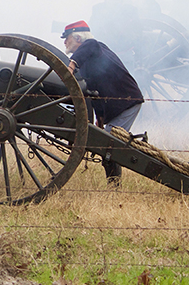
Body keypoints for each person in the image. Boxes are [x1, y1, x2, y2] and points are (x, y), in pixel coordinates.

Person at [62, 20, 144, 186]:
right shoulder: (87, 63)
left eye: (67, 38)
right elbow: (94, 91)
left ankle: (114, 186)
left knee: (109, 146)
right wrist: (99, 118)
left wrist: (70, 66)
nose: (65, 42)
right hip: (119, 105)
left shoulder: (94, 46)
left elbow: (89, 45)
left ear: (78, 38)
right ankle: (114, 185)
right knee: (108, 145)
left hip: (126, 102)